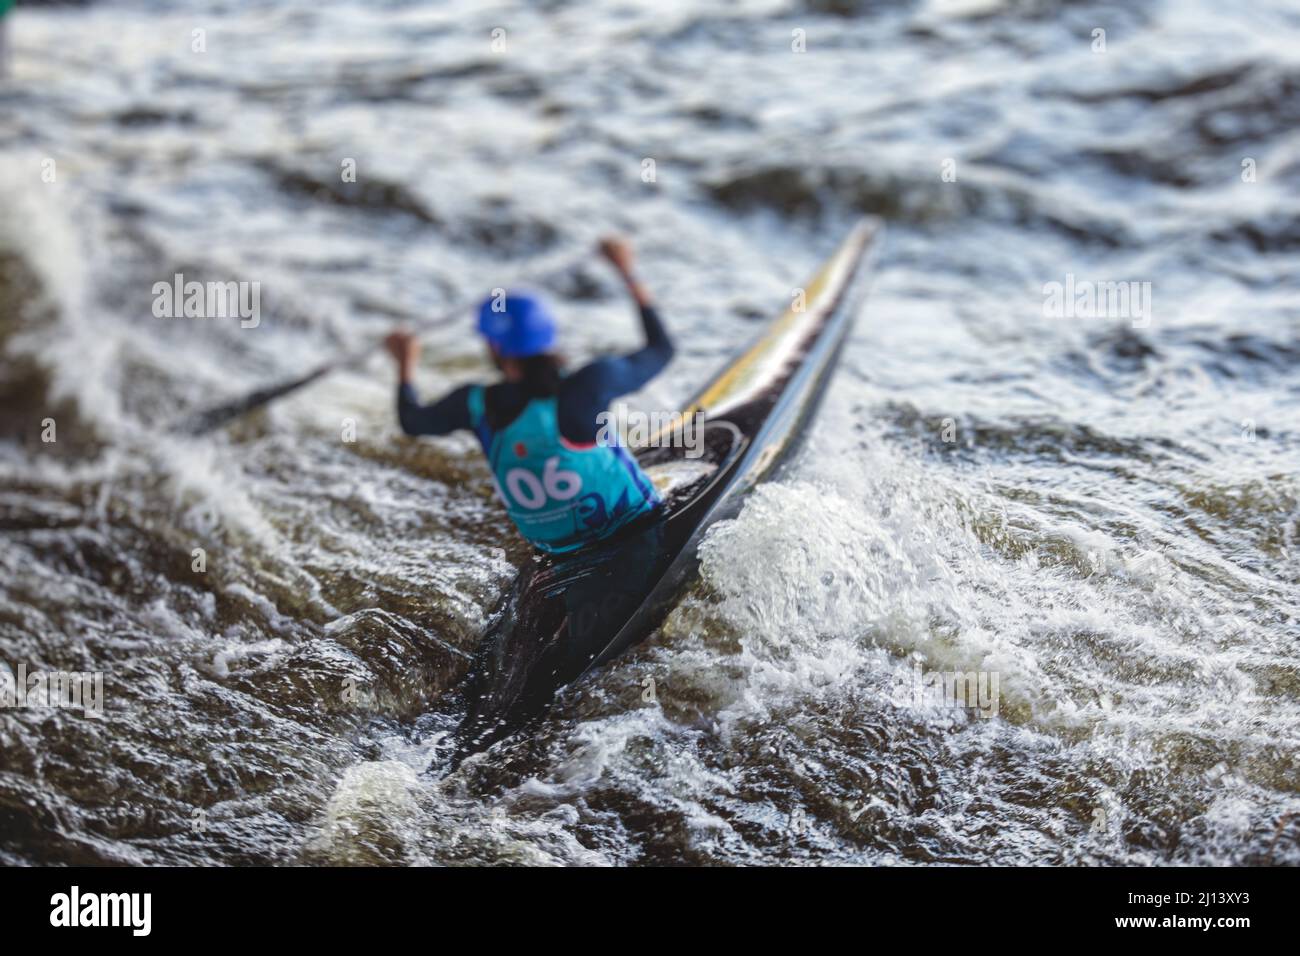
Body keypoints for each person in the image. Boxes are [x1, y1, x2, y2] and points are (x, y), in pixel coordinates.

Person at [385, 237, 674, 554]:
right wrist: (626, 270)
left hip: (560, 554)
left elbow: (411, 421)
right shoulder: (588, 385)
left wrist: (406, 363)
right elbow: (661, 349)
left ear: (495, 347)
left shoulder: (472, 405)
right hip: (640, 527)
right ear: (549, 337)